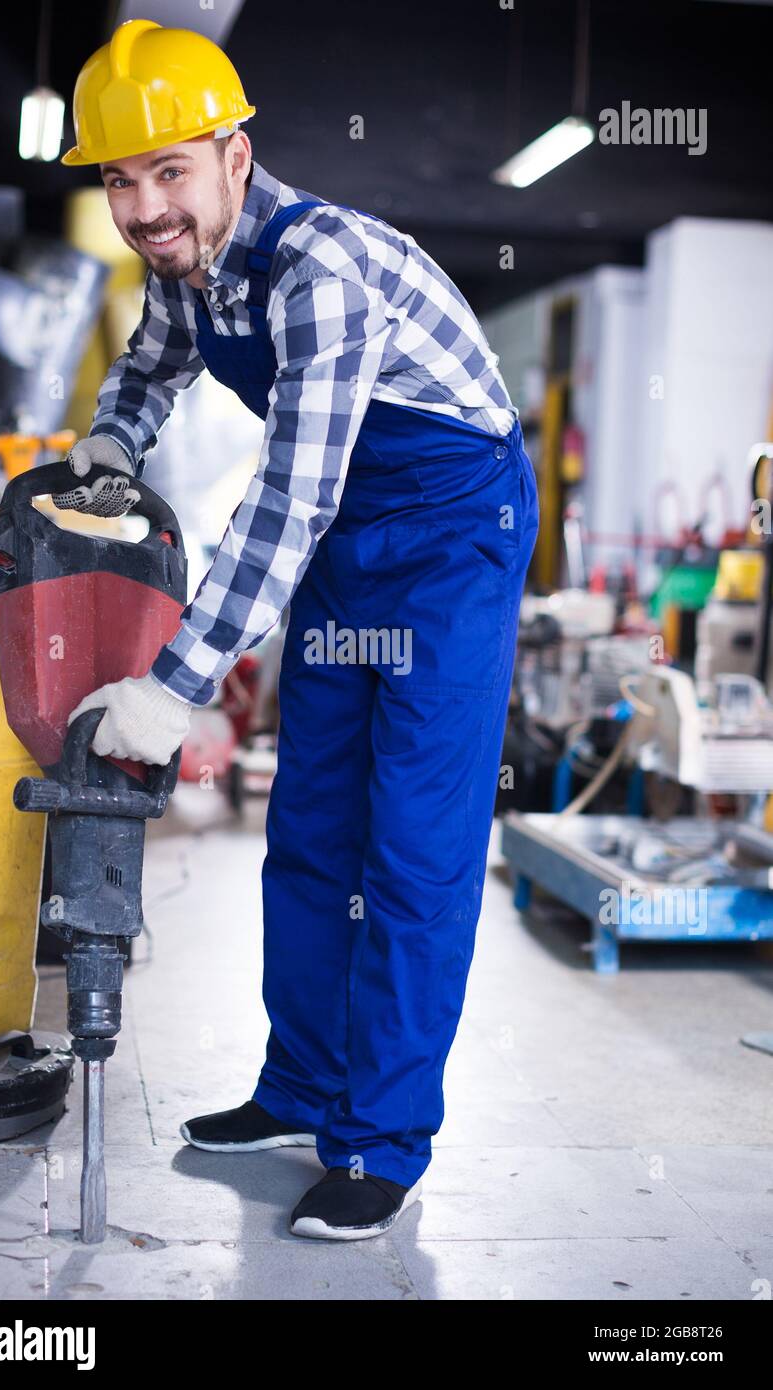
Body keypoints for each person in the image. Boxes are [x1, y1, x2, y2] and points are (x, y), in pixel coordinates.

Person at [59, 18, 539, 1241]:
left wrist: (177, 686)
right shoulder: (188, 266)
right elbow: (153, 362)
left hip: (446, 529)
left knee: (415, 848)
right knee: (314, 820)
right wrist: (112, 439)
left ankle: (379, 1140)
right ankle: (301, 1086)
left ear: (234, 150)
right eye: (119, 179)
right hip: (346, 539)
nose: (145, 206)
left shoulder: (321, 266)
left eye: (170, 170)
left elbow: (290, 495)